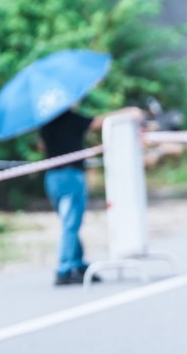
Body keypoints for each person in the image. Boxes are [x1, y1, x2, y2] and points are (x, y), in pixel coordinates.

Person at [39, 106, 141, 286]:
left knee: (67, 222)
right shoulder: (70, 117)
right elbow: (96, 123)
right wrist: (127, 113)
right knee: (71, 224)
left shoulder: (45, 121)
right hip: (71, 176)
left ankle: (77, 263)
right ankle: (65, 268)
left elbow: (41, 145)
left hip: (52, 177)